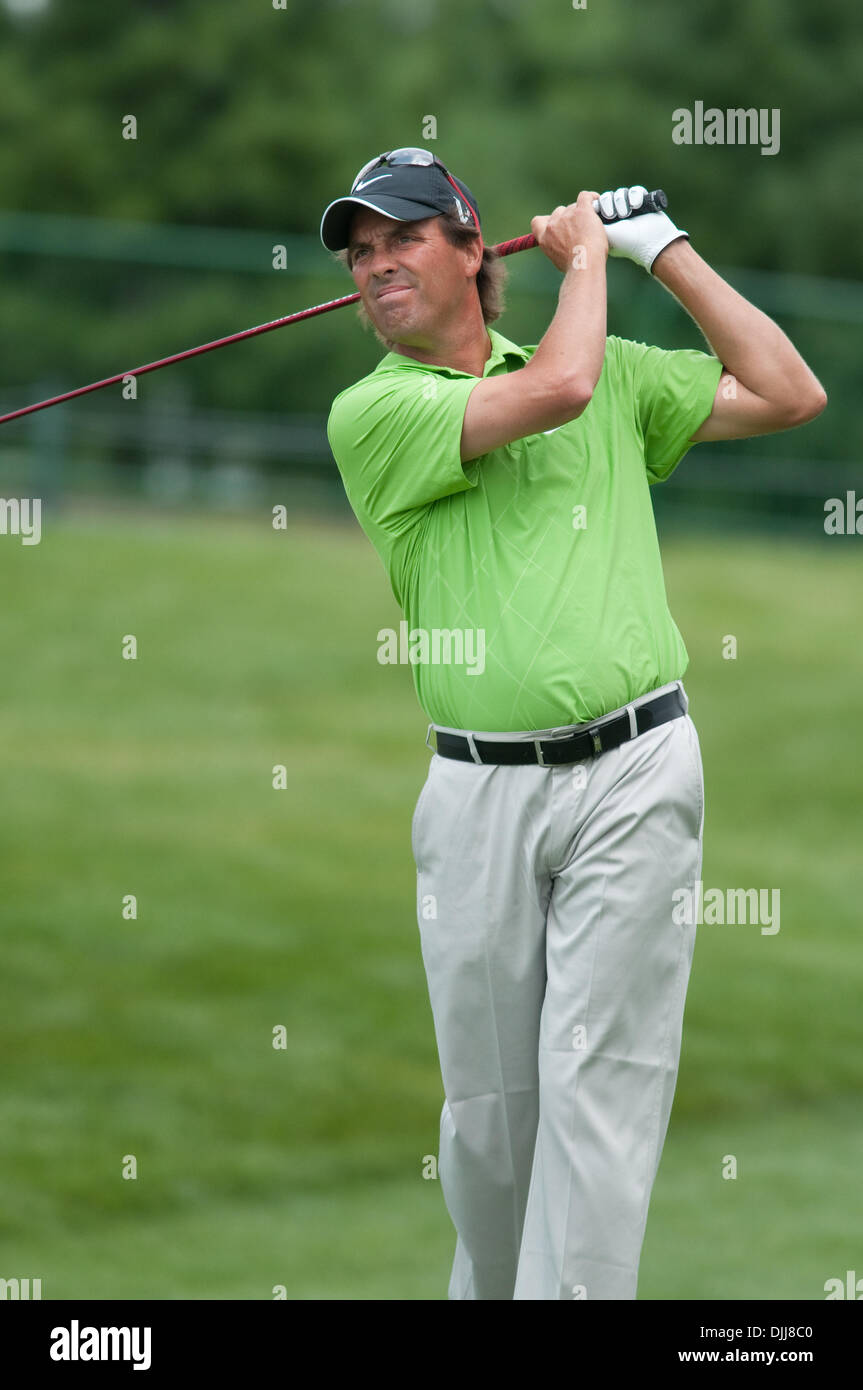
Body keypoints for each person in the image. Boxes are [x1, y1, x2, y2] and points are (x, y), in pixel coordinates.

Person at [319, 148, 826, 1301]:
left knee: (598, 1085)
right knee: (493, 1123)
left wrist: (665, 253)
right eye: (358, 253)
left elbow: (790, 393)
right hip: (476, 794)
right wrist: (590, 259)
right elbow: (555, 389)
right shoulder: (378, 410)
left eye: (400, 237)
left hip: (637, 767)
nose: (374, 264)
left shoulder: (610, 369)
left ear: (468, 250)